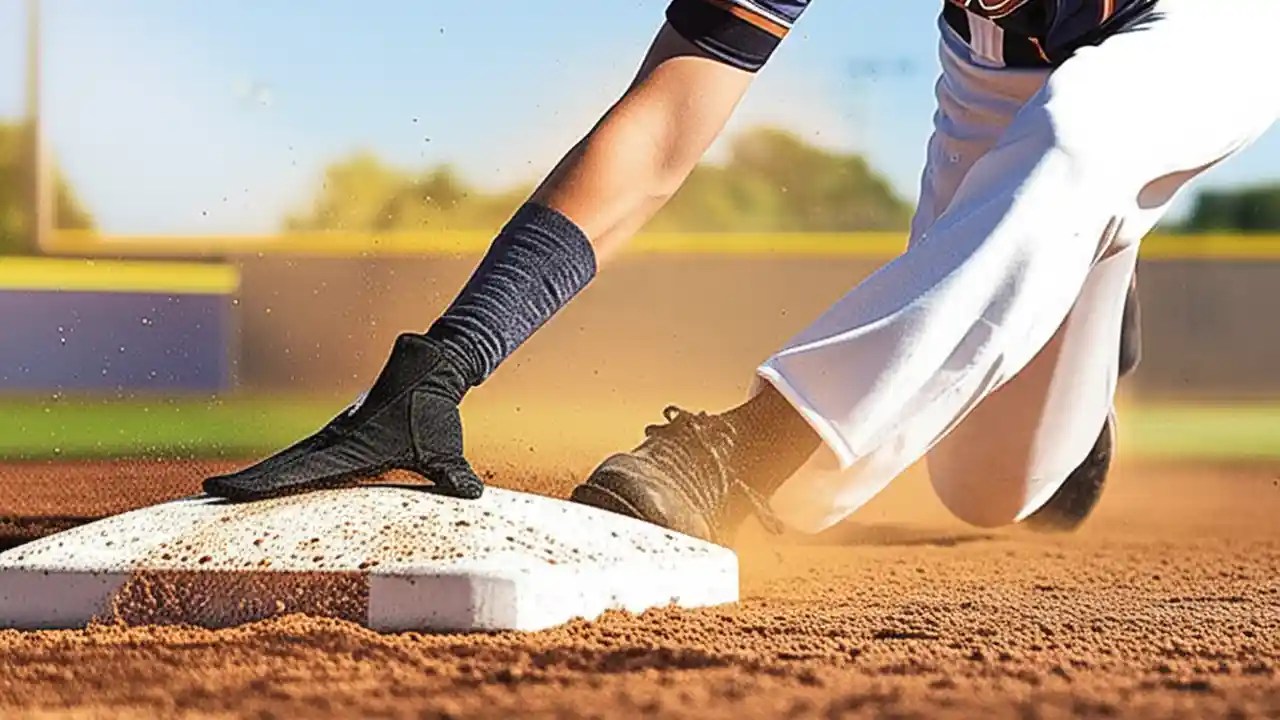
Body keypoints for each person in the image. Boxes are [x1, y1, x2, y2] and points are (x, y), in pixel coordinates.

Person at [205, 0, 1278, 546]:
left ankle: (741, 451)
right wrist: (445, 360)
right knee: (986, 490)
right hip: (999, 64)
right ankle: (1088, 279)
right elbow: (663, 127)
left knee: (1081, 131)